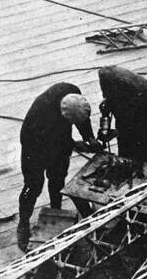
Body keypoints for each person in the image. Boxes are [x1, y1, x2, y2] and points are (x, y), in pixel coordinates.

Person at [17, 83, 101, 251]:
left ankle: (57, 211)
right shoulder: (42, 117)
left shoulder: (72, 93)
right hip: (33, 145)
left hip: (58, 137)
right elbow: (57, 142)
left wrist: (89, 137)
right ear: (64, 116)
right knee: (33, 186)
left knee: (57, 178)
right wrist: (76, 145)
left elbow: (81, 119)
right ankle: (23, 223)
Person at [97, 65, 147, 163]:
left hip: (145, 104)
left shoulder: (128, 92)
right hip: (131, 99)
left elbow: (128, 124)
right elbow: (108, 99)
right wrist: (105, 123)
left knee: (144, 143)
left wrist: (115, 133)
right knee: (126, 144)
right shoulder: (106, 77)